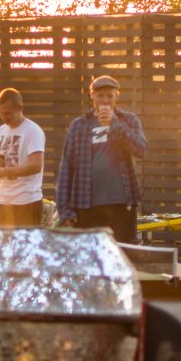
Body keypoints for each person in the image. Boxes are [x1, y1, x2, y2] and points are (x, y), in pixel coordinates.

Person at [55, 75, 148, 242]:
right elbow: (67, 167)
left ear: (117, 96)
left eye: (110, 95)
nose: (105, 100)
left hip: (121, 204)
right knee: (90, 259)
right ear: (92, 95)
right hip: (86, 204)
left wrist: (115, 125)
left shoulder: (129, 120)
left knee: (123, 256)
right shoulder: (79, 125)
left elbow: (141, 150)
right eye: (100, 95)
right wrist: (64, 210)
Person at [0, 88, 46, 226]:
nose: (3, 117)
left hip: (26, 201)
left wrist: (3, 171)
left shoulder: (33, 131)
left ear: (19, 108)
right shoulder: (1, 131)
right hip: (4, 200)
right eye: (1, 113)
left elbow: (36, 165)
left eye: (8, 113)